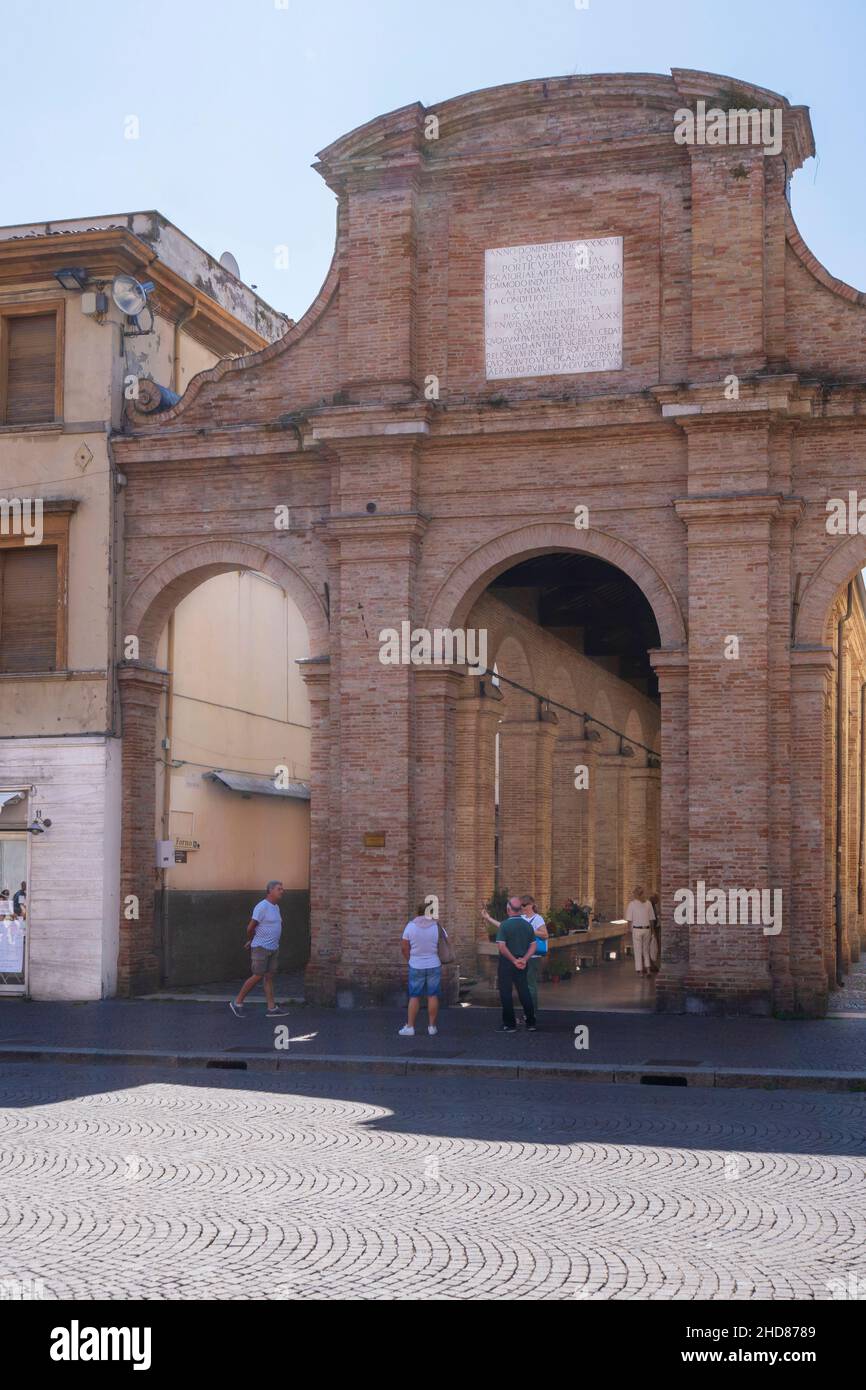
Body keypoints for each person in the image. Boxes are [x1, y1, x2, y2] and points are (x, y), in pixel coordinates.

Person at [229, 880, 289, 1017]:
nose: (282, 891)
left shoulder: (276, 907)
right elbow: (250, 927)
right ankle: (237, 1002)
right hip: (261, 947)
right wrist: (251, 940)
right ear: (270, 891)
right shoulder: (262, 907)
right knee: (257, 975)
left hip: (273, 947)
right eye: (279, 889)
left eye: (282, 888)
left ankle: (272, 1008)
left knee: (269, 977)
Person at [398, 902, 442, 1037]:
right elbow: (444, 944)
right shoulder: (437, 927)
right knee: (433, 995)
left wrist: (410, 959)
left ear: (418, 911)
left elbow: (404, 947)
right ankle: (432, 1027)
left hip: (416, 964)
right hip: (434, 964)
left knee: (414, 996)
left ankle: (410, 1027)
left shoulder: (410, 926)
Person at [495, 896, 537, 1032]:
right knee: (524, 990)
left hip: (507, 962)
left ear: (508, 910)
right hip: (522, 962)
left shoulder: (505, 926)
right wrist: (524, 959)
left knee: (506, 992)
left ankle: (509, 1024)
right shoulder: (527, 925)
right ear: (520, 910)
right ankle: (531, 1022)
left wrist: (513, 960)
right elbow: (533, 946)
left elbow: (502, 947)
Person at [625, 886, 656, 976]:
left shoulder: (632, 904)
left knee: (638, 950)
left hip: (636, 929)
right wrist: (653, 931)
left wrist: (628, 930)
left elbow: (629, 920)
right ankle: (648, 969)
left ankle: (640, 971)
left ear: (635, 894)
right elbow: (651, 920)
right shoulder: (648, 903)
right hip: (647, 929)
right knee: (646, 950)